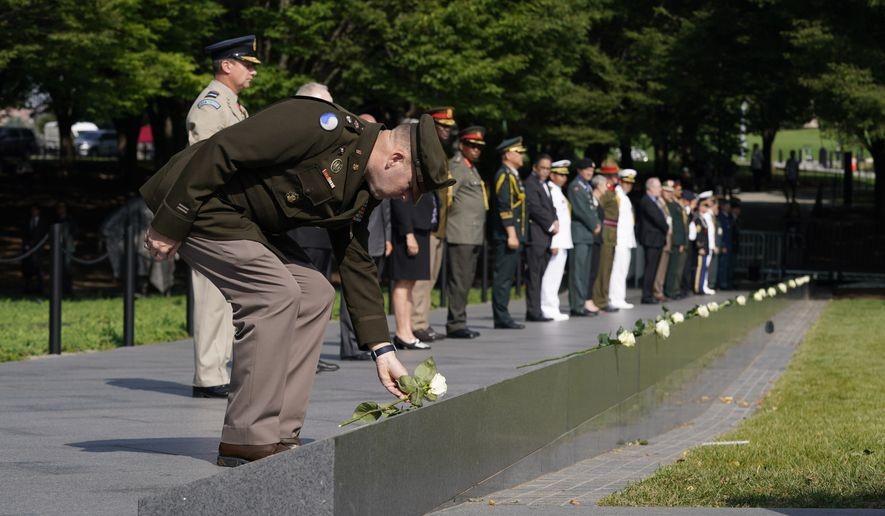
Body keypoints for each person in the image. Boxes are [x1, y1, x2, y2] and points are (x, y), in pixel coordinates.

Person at [141, 98, 454, 467]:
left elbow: (355, 260)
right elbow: (222, 149)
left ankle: (281, 432)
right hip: (200, 202)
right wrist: (170, 220)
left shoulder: (362, 188)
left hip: (249, 223)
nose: (404, 198)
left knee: (315, 292)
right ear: (396, 159)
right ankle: (247, 436)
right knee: (274, 294)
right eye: (408, 189)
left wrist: (383, 351)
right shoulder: (319, 125)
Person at [186, 35, 260, 399]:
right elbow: (202, 164)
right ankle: (208, 374)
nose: (252, 72)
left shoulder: (232, 106)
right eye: (247, 64)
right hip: (212, 211)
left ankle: (218, 369)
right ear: (226, 65)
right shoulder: (212, 106)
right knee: (211, 296)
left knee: (226, 296)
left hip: (229, 210)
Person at [411, 107, 455, 343]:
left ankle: (422, 321)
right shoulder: (424, 149)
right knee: (421, 278)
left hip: (438, 223)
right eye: (443, 126)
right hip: (426, 223)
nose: (447, 131)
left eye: (449, 127)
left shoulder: (439, 151)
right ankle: (415, 323)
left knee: (431, 278)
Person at [444, 126, 488, 339]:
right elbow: (447, 197)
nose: (476, 149)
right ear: (461, 145)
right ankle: (455, 324)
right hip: (460, 232)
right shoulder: (457, 166)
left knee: (466, 280)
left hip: (472, 233)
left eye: (479, 146)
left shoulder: (471, 167)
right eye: (472, 145)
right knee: (460, 280)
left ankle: (460, 320)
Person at [491, 137, 527, 329]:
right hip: (506, 235)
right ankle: (501, 317)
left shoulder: (513, 175)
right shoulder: (504, 175)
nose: (522, 156)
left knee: (508, 276)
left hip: (513, 234)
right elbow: (504, 206)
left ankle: (503, 314)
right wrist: (511, 233)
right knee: (503, 277)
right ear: (507, 154)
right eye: (518, 152)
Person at [524, 154, 558, 322]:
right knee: (534, 275)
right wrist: (551, 224)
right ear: (535, 168)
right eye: (542, 168)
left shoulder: (543, 185)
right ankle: (533, 311)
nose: (545, 171)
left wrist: (556, 219)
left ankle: (536, 309)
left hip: (544, 236)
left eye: (548, 168)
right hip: (536, 235)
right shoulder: (530, 184)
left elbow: (550, 207)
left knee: (539, 274)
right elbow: (534, 208)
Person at [567, 158, 600, 316]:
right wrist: (595, 224)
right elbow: (581, 210)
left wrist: (596, 223)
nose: (590, 173)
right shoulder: (576, 187)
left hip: (586, 235)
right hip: (580, 234)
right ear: (579, 170)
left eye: (592, 171)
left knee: (585, 272)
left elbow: (591, 208)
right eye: (587, 170)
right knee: (578, 272)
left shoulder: (585, 186)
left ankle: (581, 303)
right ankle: (576, 306)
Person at [540, 160, 572, 321]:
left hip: (563, 240)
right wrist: (554, 242)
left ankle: (553, 306)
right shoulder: (551, 190)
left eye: (565, 174)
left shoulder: (558, 191)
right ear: (552, 175)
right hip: (557, 241)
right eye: (560, 174)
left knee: (557, 275)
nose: (564, 177)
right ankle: (547, 307)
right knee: (551, 276)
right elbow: (553, 219)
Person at [591, 164, 620, 313]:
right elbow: (597, 209)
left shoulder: (612, 191)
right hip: (605, 232)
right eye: (614, 176)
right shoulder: (604, 192)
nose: (617, 178)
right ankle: (599, 300)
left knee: (607, 268)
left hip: (611, 233)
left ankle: (603, 298)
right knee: (602, 268)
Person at [608, 168, 637, 310]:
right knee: (617, 269)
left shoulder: (624, 196)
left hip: (626, 239)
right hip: (619, 238)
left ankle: (620, 296)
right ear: (620, 181)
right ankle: (615, 297)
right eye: (626, 182)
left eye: (630, 183)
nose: (628, 185)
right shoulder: (617, 195)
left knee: (623, 269)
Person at [637, 177, 669, 304]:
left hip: (656, 239)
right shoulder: (646, 201)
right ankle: (646, 295)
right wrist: (666, 227)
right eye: (658, 187)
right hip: (651, 239)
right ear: (650, 188)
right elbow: (657, 219)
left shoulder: (655, 201)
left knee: (653, 268)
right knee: (650, 268)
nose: (660, 190)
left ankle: (649, 293)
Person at [652, 181, 675, 301]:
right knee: (659, 266)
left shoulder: (666, 204)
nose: (669, 194)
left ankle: (659, 289)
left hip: (667, 238)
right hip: (662, 237)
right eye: (667, 191)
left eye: (671, 192)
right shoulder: (659, 203)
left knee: (663, 266)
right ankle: (657, 291)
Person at [664, 182, 688, 300]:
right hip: (674, 239)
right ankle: (670, 290)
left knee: (675, 267)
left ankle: (673, 289)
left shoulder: (675, 203)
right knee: (672, 267)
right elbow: (674, 224)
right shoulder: (669, 204)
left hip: (678, 239)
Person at [21, 204, 48, 295]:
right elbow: (25, 234)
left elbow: (44, 235)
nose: (33, 212)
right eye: (32, 210)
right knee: (27, 269)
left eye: (35, 210)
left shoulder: (43, 222)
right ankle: (28, 288)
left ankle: (40, 288)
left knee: (39, 269)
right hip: (28, 249)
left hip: (39, 250)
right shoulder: (27, 221)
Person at [692, 191, 713, 294]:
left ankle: (701, 286)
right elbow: (698, 234)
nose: (706, 208)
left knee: (704, 267)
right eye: (704, 205)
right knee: (700, 268)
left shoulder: (703, 218)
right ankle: (698, 287)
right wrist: (700, 246)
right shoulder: (697, 218)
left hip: (706, 247)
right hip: (702, 247)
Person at [716, 198, 734, 290]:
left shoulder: (728, 217)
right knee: (723, 265)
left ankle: (726, 281)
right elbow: (721, 233)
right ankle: (722, 283)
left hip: (729, 244)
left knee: (727, 265)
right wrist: (722, 245)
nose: (729, 207)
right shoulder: (721, 218)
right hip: (724, 244)